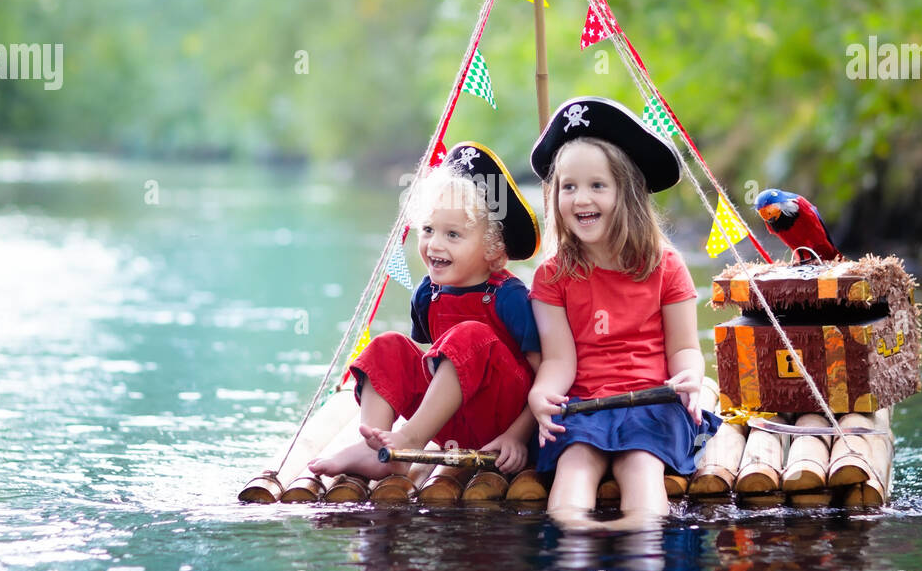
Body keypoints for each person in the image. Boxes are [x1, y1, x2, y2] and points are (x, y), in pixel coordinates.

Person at [526, 96, 721, 528]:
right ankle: (574, 543)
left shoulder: (665, 265)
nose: (581, 199)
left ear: (626, 193)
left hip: (653, 402)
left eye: (597, 186)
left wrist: (689, 374)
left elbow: (685, 348)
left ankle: (641, 541)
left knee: (640, 464)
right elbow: (559, 360)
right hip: (583, 407)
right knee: (574, 464)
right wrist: (542, 394)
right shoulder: (552, 276)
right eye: (568, 186)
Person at [309, 142, 542, 481]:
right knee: (387, 346)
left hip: (504, 424)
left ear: (493, 247)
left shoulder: (510, 297)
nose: (434, 244)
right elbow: (432, 365)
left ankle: (408, 440)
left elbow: (544, 376)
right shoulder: (426, 294)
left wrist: (519, 436)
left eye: (453, 234)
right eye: (429, 230)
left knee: (468, 337)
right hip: (456, 426)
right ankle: (376, 447)